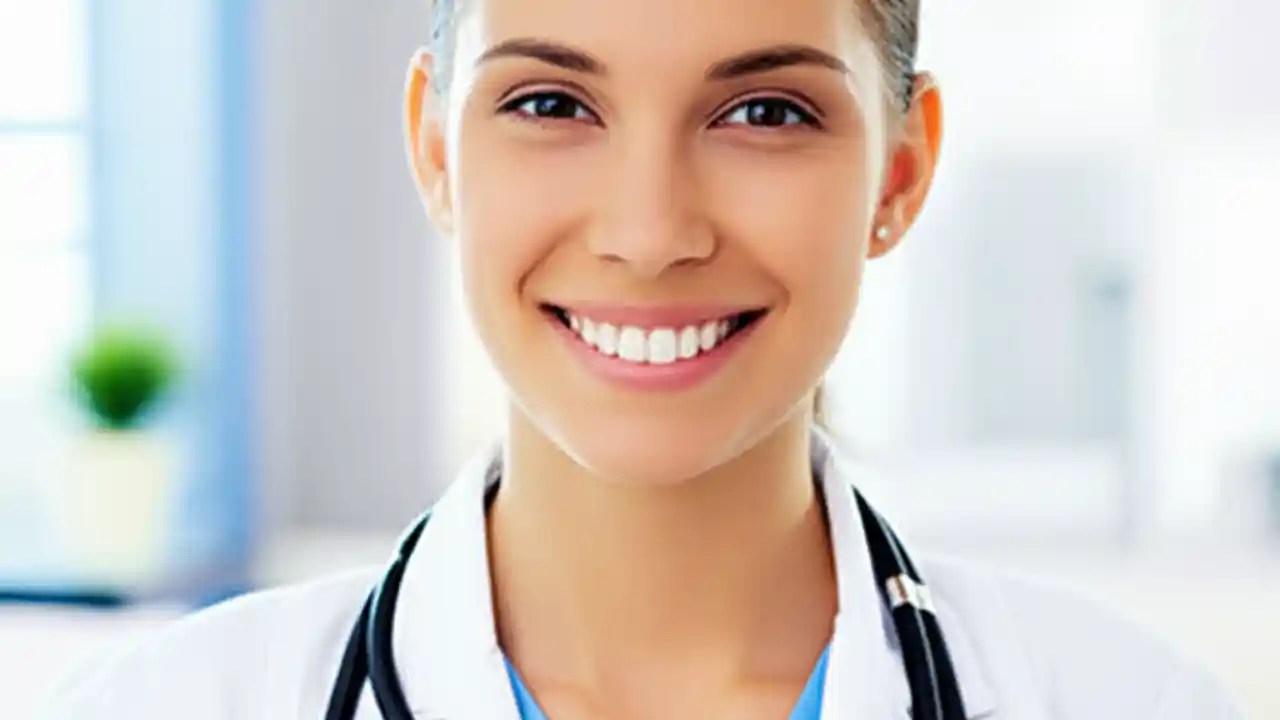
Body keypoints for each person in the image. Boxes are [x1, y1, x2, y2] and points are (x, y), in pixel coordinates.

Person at [47, 0, 1242, 717]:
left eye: (764, 112)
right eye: (551, 104)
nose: (647, 230)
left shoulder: (1129, 704)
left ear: (898, 173)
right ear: (433, 149)